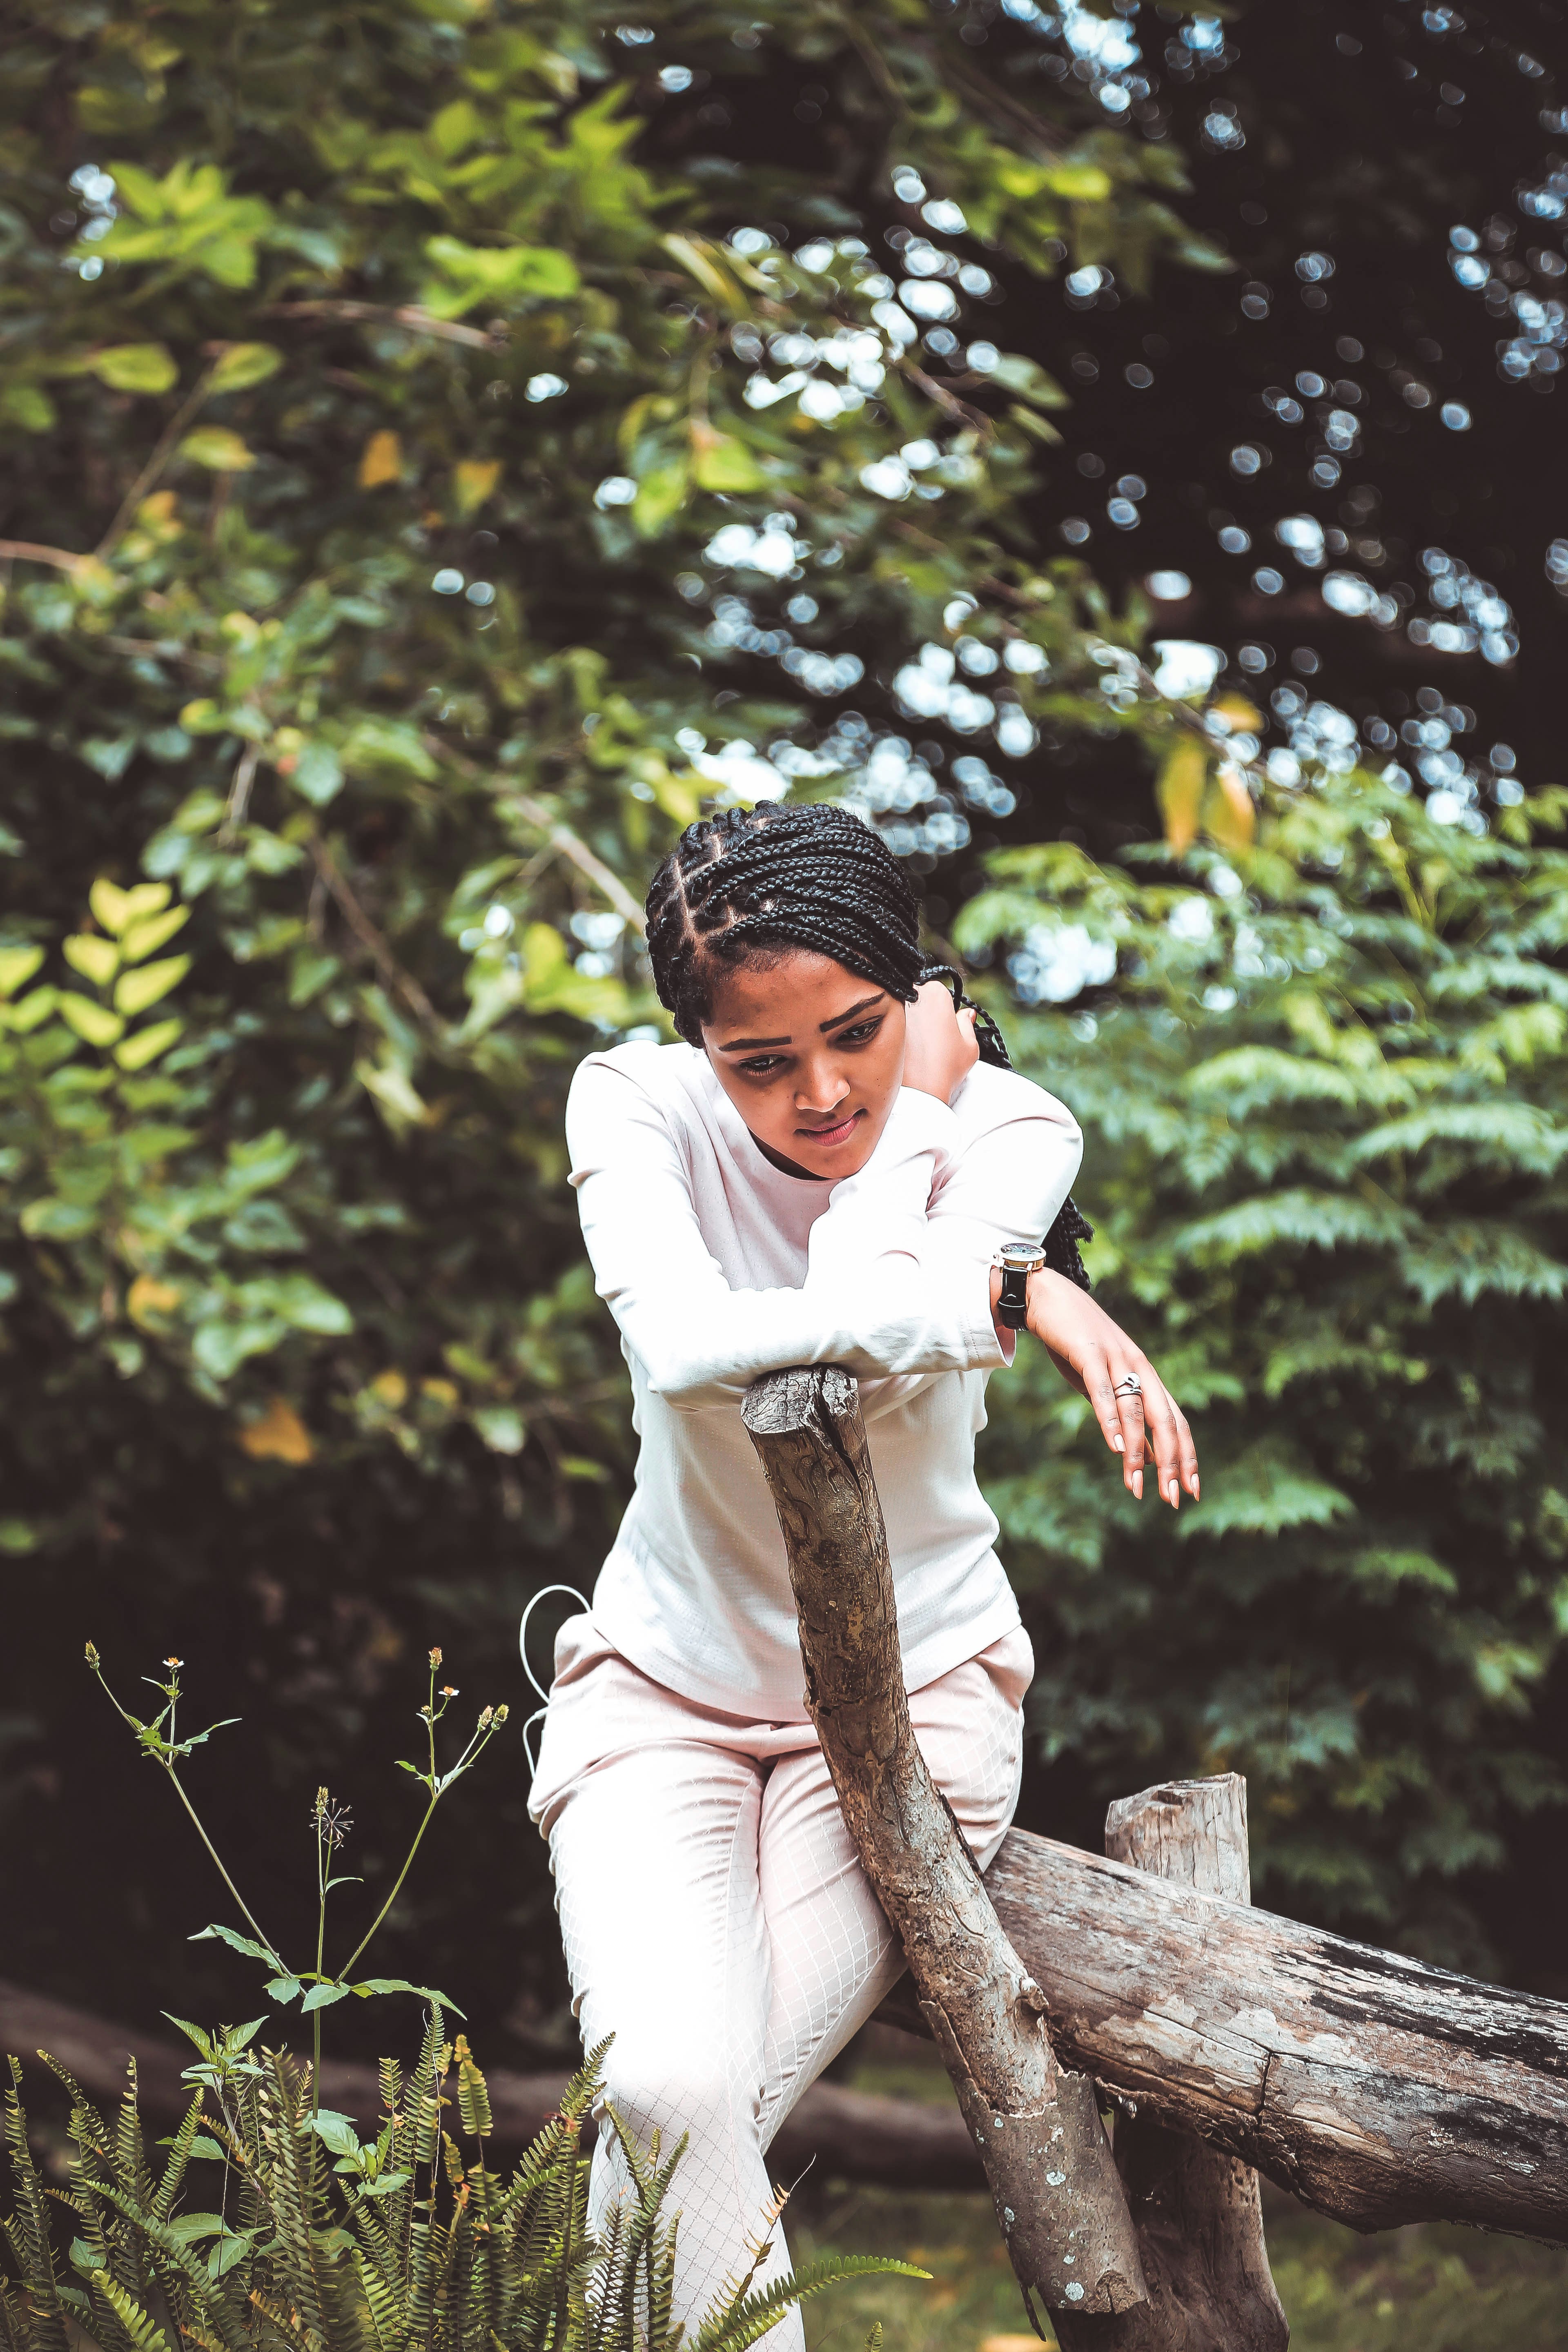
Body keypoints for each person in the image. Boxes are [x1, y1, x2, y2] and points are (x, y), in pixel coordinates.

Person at [528, 802, 1196, 2343]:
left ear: (915, 989)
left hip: (917, 1701)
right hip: (657, 1691)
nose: (823, 1093)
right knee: (663, 2092)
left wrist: (958, 1196)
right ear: (693, 1043)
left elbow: (841, 1324)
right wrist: (1003, 1293)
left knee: (670, 2123)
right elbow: (688, 1348)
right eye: (760, 1061)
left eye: (860, 1034)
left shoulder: (1013, 1129)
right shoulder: (632, 1108)